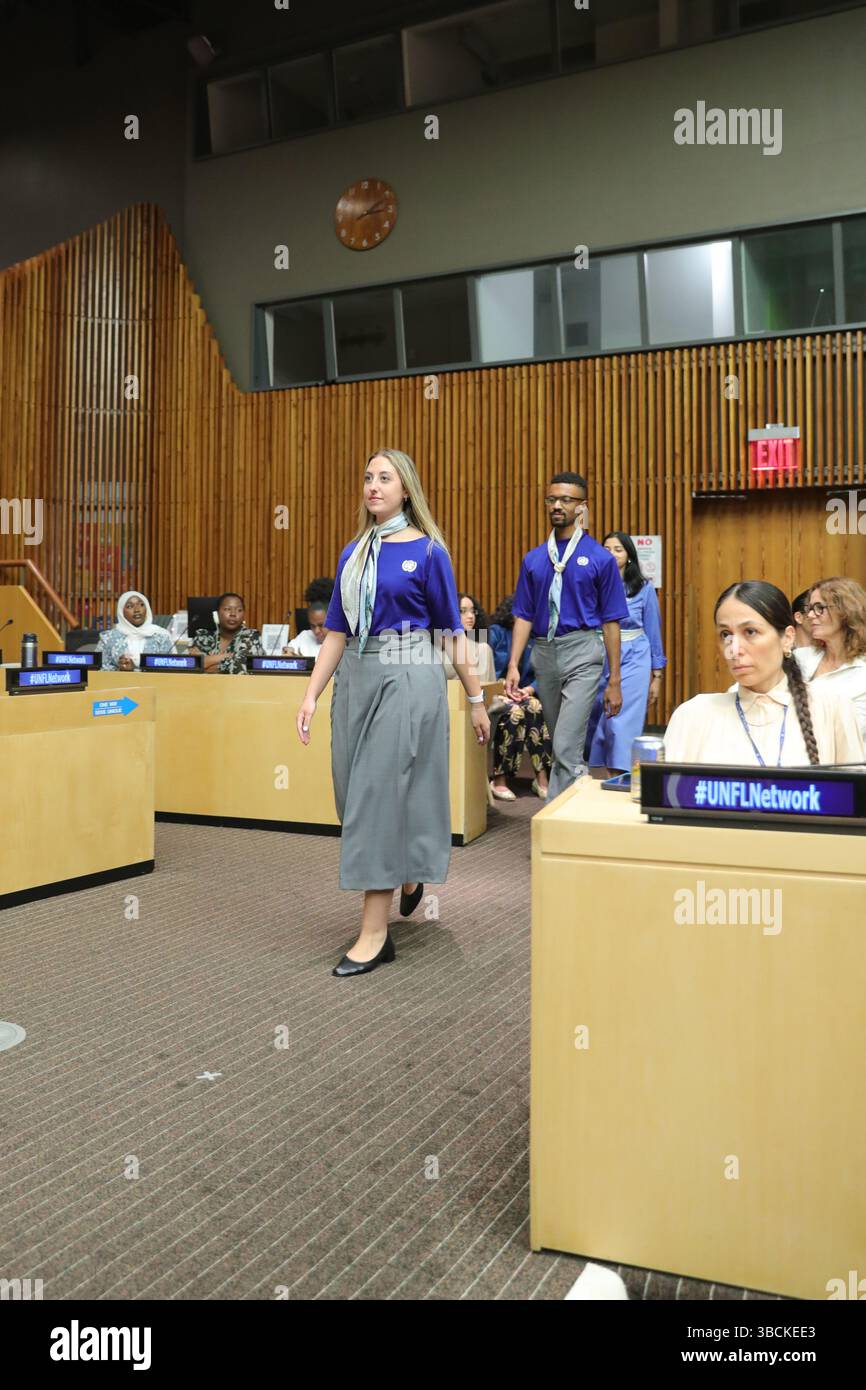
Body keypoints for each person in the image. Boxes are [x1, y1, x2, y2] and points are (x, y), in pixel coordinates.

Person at [296, 448, 490, 978]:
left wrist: (475, 700)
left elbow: (452, 632)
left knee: (378, 797)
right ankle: (404, 873)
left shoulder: (429, 553)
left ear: (407, 490)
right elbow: (336, 628)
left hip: (409, 672)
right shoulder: (353, 553)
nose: (373, 485)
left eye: (386, 478)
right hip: (356, 675)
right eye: (367, 477)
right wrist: (313, 693)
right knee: (351, 793)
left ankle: (374, 934)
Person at [505, 472, 628, 800]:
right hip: (544, 654)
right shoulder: (534, 559)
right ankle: (570, 812)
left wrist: (614, 679)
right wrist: (514, 664)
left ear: (582, 507)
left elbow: (612, 621)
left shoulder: (600, 559)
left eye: (566, 500)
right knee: (562, 744)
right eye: (552, 499)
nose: (557, 506)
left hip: (583, 652)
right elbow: (524, 615)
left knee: (564, 744)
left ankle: (558, 820)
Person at [664, 581, 863, 766]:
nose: (734, 649)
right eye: (725, 634)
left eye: (750, 632)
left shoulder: (833, 709)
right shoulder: (694, 714)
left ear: (787, 638)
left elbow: (855, 797)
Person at [586, 532, 667, 774]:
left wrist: (658, 676)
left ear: (629, 556)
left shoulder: (644, 588)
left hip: (634, 656)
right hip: (598, 656)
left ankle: (621, 776)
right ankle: (599, 776)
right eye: (607, 549)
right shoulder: (592, 586)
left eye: (618, 549)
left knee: (620, 721)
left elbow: (653, 631)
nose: (611, 553)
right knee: (597, 719)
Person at [486, 595, 551, 801]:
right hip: (496, 692)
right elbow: (485, 669)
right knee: (513, 712)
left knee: (535, 707)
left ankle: (541, 778)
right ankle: (499, 779)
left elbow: (546, 671)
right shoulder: (496, 633)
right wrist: (502, 687)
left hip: (522, 693)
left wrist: (530, 690)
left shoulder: (537, 638)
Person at [794, 577, 866, 745]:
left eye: (819, 608)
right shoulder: (800, 657)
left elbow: (849, 734)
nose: (810, 615)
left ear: (846, 611)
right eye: (809, 608)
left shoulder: (862, 672)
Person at [187, 593, 264, 673]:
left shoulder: (251, 636)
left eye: (239, 610)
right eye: (227, 609)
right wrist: (222, 657)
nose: (233, 614)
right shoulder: (203, 636)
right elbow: (189, 664)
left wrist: (207, 662)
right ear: (216, 614)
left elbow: (239, 668)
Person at [97, 591, 174, 671]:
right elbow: (98, 670)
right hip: (118, 683)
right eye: (130, 606)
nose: (137, 610)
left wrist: (134, 669)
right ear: (121, 612)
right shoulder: (108, 638)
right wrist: (120, 669)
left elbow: (170, 669)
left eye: (141, 605)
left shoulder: (162, 636)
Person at [442, 593, 496, 682]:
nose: (471, 616)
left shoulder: (481, 649)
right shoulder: (435, 645)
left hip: (471, 695)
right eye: (462, 611)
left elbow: (486, 688)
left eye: (473, 611)